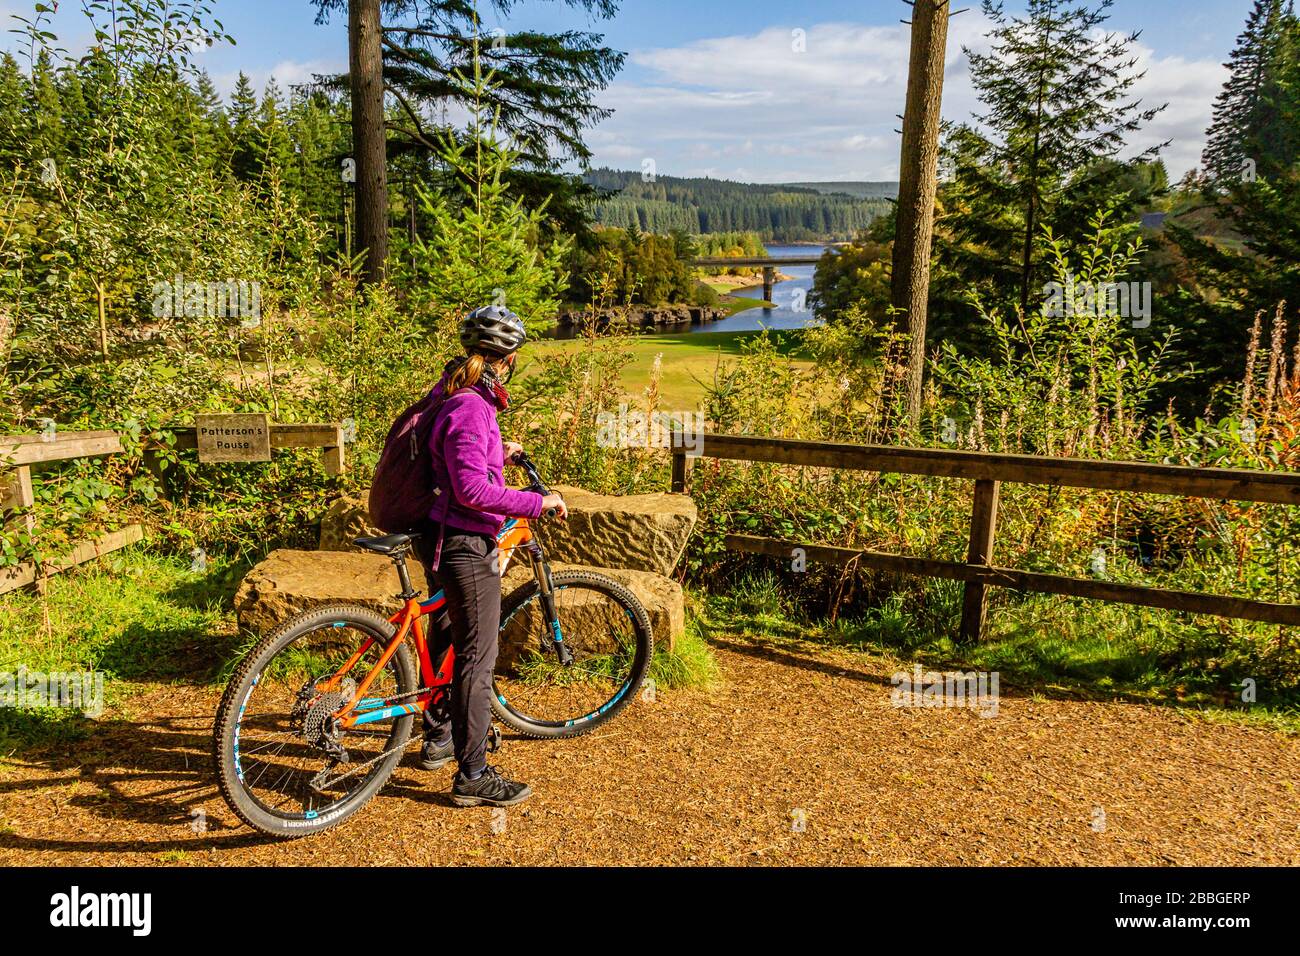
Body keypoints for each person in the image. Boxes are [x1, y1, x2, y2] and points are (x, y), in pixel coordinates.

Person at [411, 305, 567, 807]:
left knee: (447, 633)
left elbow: (454, 455)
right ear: (510, 358)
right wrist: (536, 502)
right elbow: (473, 490)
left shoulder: (453, 391)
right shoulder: (473, 406)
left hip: (434, 533)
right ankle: (473, 774)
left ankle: (437, 737)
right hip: (462, 541)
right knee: (478, 660)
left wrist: (500, 447)